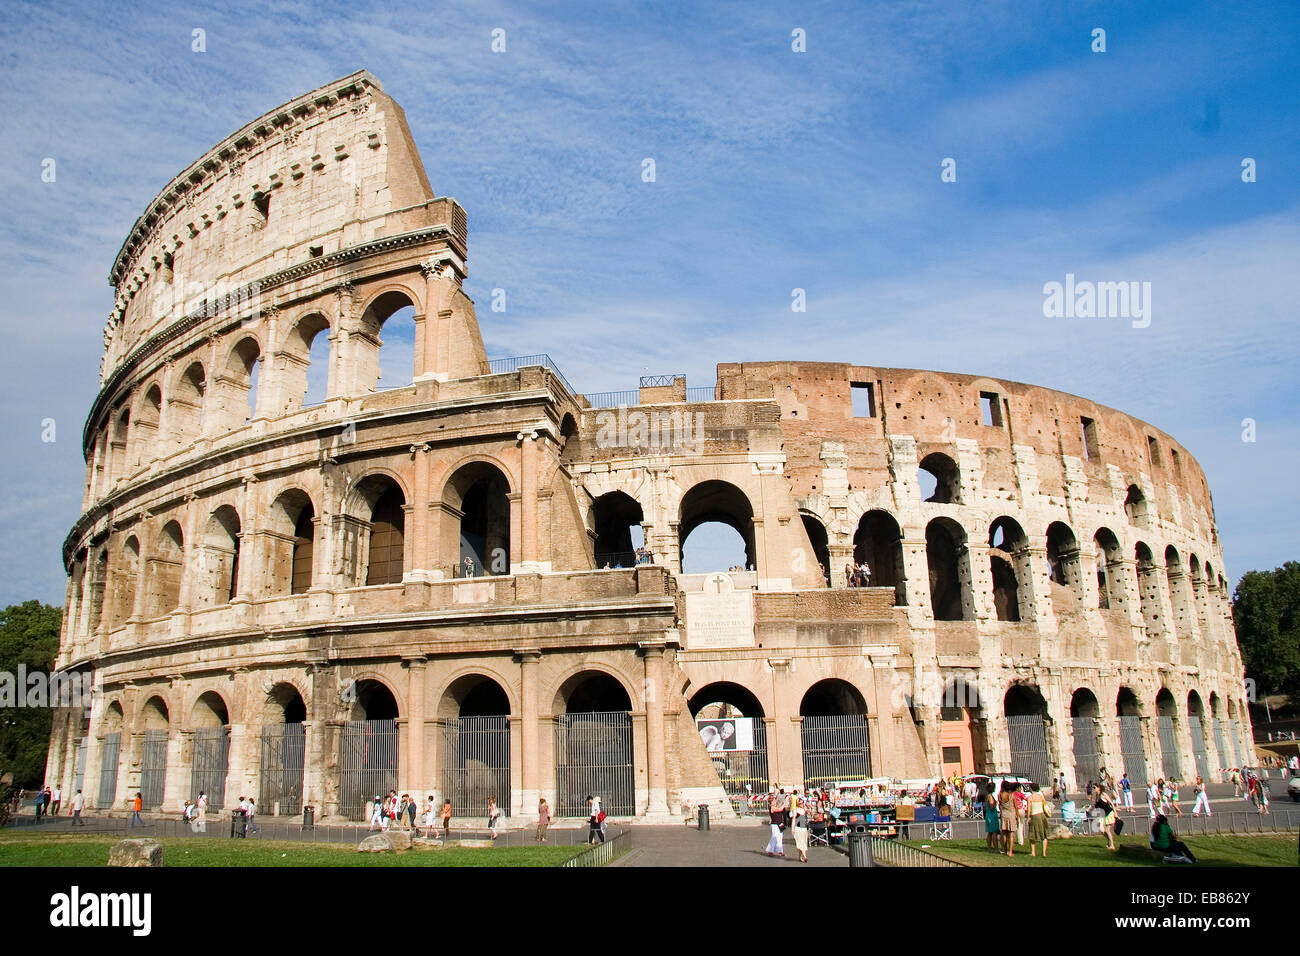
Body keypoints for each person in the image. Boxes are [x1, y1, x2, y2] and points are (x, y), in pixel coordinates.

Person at [1026, 782, 1050, 858]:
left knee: (1032, 834)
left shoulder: (1030, 798)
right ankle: (1044, 853)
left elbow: (1029, 809)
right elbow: (1044, 806)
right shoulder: (1041, 796)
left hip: (1034, 816)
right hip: (1042, 815)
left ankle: (1033, 852)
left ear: (1031, 789)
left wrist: (1028, 818)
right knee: (1044, 834)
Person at [1094, 787, 1117, 851]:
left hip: (1109, 813)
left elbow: (1111, 803)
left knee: (1107, 829)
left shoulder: (1103, 794)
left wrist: (1115, 812)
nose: (1093, 789)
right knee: (1102, 830)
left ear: (1099, 788)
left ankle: (1112, 845)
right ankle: (1109, 841)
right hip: (1103, 815)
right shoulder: (1097, 796)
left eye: (1094, 787)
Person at [998, 783, 1018, 856]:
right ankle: (1010, 852)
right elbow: (1016, 806)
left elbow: (1000, 805)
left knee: (1004, 834)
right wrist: (1017, 816)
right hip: (1011, 814)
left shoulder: (999, 795)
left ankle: (1005, 849)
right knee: (1011, 835)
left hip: (1003, 814)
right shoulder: (1011, 796)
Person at [790, 788, 809, 863]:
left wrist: (805, 807)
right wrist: (792, 828)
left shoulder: (804, 810)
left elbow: (808, 812)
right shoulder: (796, 810)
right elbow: (794, 819)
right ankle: (805, 856)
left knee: (803, 842)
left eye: (802, 802)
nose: (801, 804)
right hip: (798, 828)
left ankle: (800, 857)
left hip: (804, 828)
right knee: (800, 842)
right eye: (800, 803)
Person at [765, 790, 785, 857]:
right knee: (774, 837)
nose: (775, 801)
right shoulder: (772, 808)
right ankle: (770, 850)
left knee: (780, 837)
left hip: (780, 823)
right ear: (771, 802)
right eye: (774, 801)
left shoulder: (776, 806)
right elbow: (779, 810)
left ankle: (780, 851)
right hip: (774, 824)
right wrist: (784, 804)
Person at [982, 786, 1000, 851]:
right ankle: (996, 847)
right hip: (992, 815)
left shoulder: (987, 795)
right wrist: (996, 803)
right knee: (994, 832)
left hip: (988, 814)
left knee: (990, 832)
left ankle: (989, 847)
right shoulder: (990, 796)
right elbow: (992, 806)